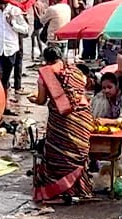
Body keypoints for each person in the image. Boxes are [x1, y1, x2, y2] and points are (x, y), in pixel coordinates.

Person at [31, 47, 93, 203]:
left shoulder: (45, 73)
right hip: (82, 121)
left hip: (62, 121)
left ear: (46, 60)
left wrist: (32, 99)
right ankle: (78, 188)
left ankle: (59, 189)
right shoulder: (77, 71)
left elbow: (41, 100)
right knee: (76, 153)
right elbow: (82, 90)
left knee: (58, 154)